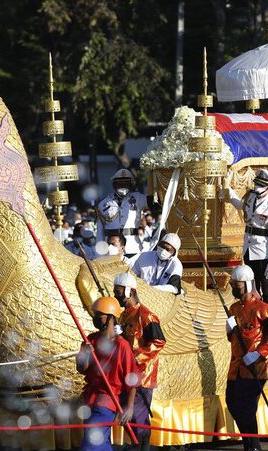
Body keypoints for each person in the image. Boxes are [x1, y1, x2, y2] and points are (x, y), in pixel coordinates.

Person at [225, 265, 268, 451]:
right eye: (233, 283)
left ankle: (253, 446)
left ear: (248, 285)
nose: (234, 287)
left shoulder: (263, 309)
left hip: (256, 367)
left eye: (237, 284)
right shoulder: (233, 308)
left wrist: (258, 353)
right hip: (236, 365)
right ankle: (249, 441)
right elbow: (233, 339)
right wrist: (229, 331)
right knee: (232, 402)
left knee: (247, 407)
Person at [76, 296, 138, 451]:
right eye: (95, 315)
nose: (95, 318)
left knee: (90, 444)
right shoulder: (91, 340)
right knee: (101, 443)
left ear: (111, 317)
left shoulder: (122, 345)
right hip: (89, 398)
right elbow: (81, 368)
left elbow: (132, 379)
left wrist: (129, 407)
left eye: (99, 315)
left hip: (107, 402)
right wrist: (85, 354)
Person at [113, 272, 166, 451]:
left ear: (130, 291)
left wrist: (135, 357)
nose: (116, 295)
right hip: (125, 374)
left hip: (142, 376)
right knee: (130, 418)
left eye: (119, 291)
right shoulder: (123, 316)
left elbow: (159, 342)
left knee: (139, 417)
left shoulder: (146, 315)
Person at [223, 169, 268, 307]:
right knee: (250, 285)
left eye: (261, 185)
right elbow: (240, 205)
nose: (257, 187)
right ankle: (251, 311)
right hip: (248, 250)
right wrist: (228, 190)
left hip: (263, 252)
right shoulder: (250, 198)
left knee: (266, 287)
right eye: (256, 184)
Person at [96, 169, 148, 258]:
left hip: (133, 246)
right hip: (111, 247)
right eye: (120, 183)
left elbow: (155, 201)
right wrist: (98, 252)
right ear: (114, 185)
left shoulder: (139, 199)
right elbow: (100, 231)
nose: (123, 186)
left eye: (126, 183)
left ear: (131, 185)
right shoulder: (103, 204)